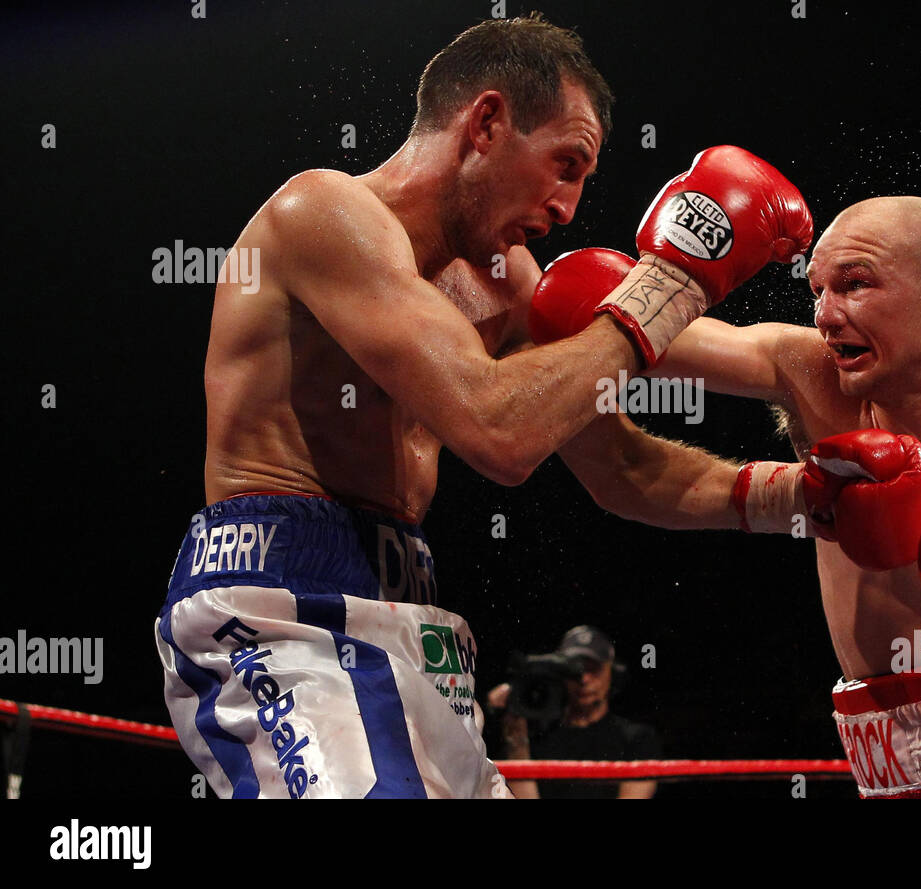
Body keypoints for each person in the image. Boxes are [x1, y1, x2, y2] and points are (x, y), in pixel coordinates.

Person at [153, 13, 812, 799]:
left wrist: (800, 493)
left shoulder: (505, 279)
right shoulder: (321, 215)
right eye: (565, 165)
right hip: (277, 609)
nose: (568, 206)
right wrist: (669, 284)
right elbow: (499, 427)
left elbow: (625, 463)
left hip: (413, 621)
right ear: (488, 122)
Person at [542, 196, 921, 798]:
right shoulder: (813, 374)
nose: (826, 315)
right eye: (817, 291)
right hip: (889, 778)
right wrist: (672, 270)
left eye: (855, 285)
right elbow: (597, 325)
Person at [486, 626, 661, 799]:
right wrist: (516, 741)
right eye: (574, 671)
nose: (584, 679)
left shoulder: (636, 739)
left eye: (593, 669)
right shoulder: (535, 737)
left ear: (612, 672)